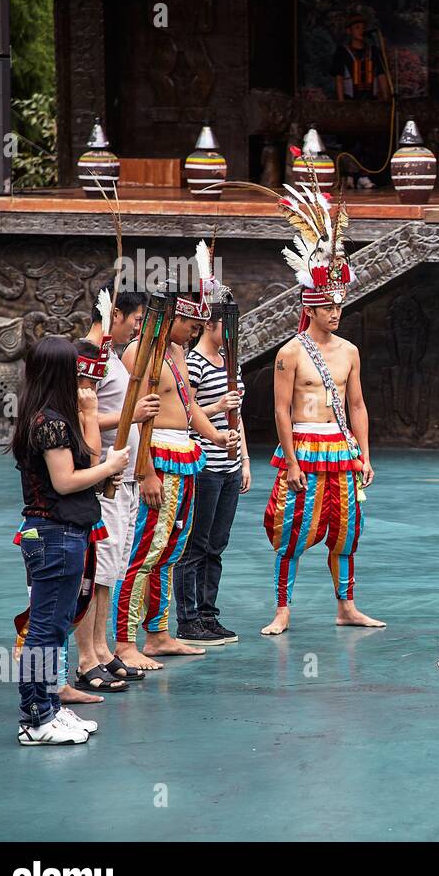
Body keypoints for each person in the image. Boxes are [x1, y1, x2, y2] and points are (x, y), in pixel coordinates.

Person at [261, 185, 378, 636]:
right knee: (292, 534)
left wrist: (365, 454)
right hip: (305, 447)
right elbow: (280, 412)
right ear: (311, 306)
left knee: (347, 534)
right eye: (330, 305)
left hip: (341, 449)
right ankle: (283, 610)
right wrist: (290, 461)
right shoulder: (290, 353)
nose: (337, 311)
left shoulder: (350, 351)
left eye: (340, 304)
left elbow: (357, 404)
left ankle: (346, 606)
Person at [114, 265, 239, 662]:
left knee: (170, 550)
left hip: (186, 455)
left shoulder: (178, 351)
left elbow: (187, 405)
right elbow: (133, 415)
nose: (195, 330)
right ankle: (123, 642)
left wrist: (217, 435)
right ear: (176, 317)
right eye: (191, 323)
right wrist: (146, 469)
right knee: (146, 551)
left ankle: (159, 634)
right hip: (158, 459)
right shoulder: (141, 350)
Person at [10, 337, 130, 744]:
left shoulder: (51, 416)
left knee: (56, 626)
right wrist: (109, 467)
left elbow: (87, 462)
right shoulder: (51, 423)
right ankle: (35, 717)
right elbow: (65, 481)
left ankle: (48, 707)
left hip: (63, 532)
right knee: (45, 630)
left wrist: (92, 415)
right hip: (53, 533)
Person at [173, 258, 248, 645]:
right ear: (212, 325)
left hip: (230, 463)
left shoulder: (230, 363)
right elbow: (187, 411)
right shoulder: (194, 363)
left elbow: (240, 414)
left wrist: (245, 458)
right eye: (229, 325)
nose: (234, 332)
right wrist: (218, 409)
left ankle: (208, 612)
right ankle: (187, 619)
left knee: (217, 545)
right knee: (195, 543)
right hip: (203, 461)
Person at [91, 288, 161, 673]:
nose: (137, 328)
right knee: (100, 569)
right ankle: (94, 651)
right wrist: (129, 416)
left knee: (113, 569)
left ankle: (102, 648)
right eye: (135, 320)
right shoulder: (92, 360)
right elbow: (82, 417)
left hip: (126, 478)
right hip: (106, 478)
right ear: (115, 314)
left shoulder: (114, 358)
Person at [330, 12, 389, 190]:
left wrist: (385, 97)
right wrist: (341, 103)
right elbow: (339, 78)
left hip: (369, 101)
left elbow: (381, 75)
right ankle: (348, 176)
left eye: (362, 27)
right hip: (350, 101)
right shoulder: (343, 51)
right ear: (349, 31)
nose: (360, 30)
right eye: (356, 27)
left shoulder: (373, 51)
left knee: (368, 141)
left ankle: (364, 175)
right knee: (350, 141)